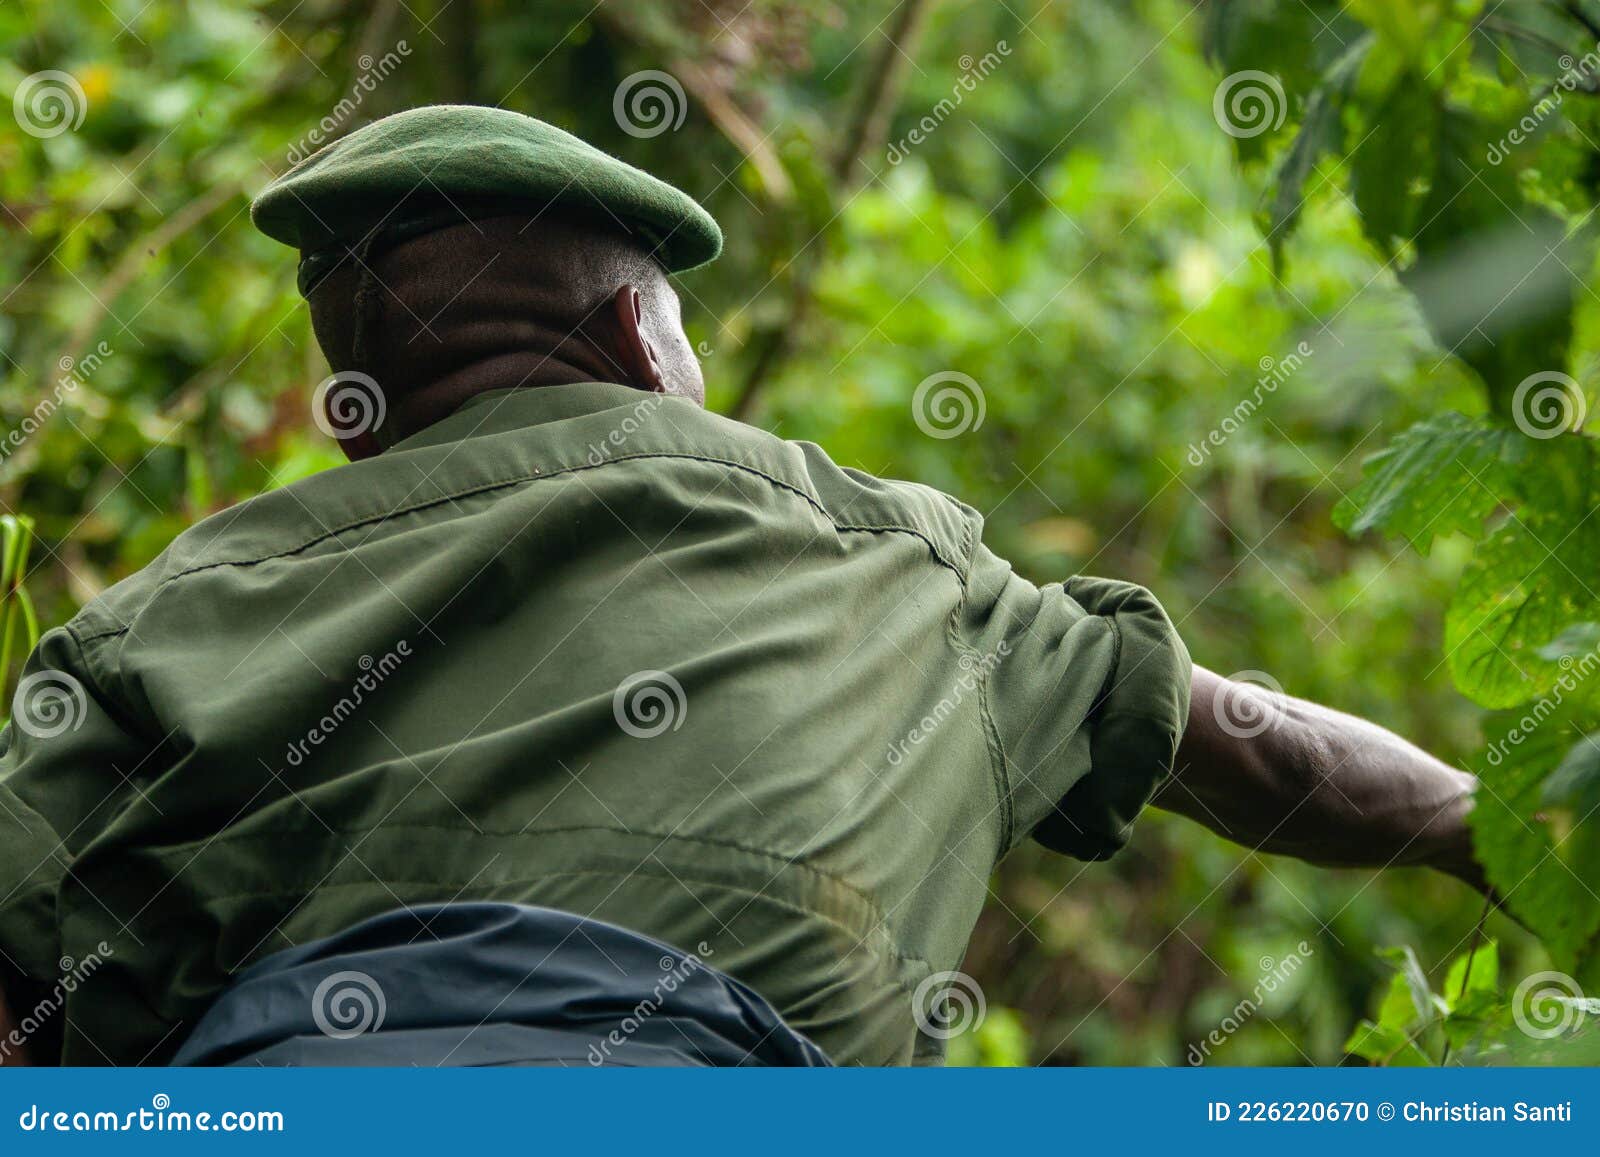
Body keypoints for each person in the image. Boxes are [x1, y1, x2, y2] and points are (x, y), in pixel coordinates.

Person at [0, 105, 1482, 1067]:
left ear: (361, 393)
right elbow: (1252, 747)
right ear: (648, 341)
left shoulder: (176, 612)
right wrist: (1507, 827)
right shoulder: (894, 557)